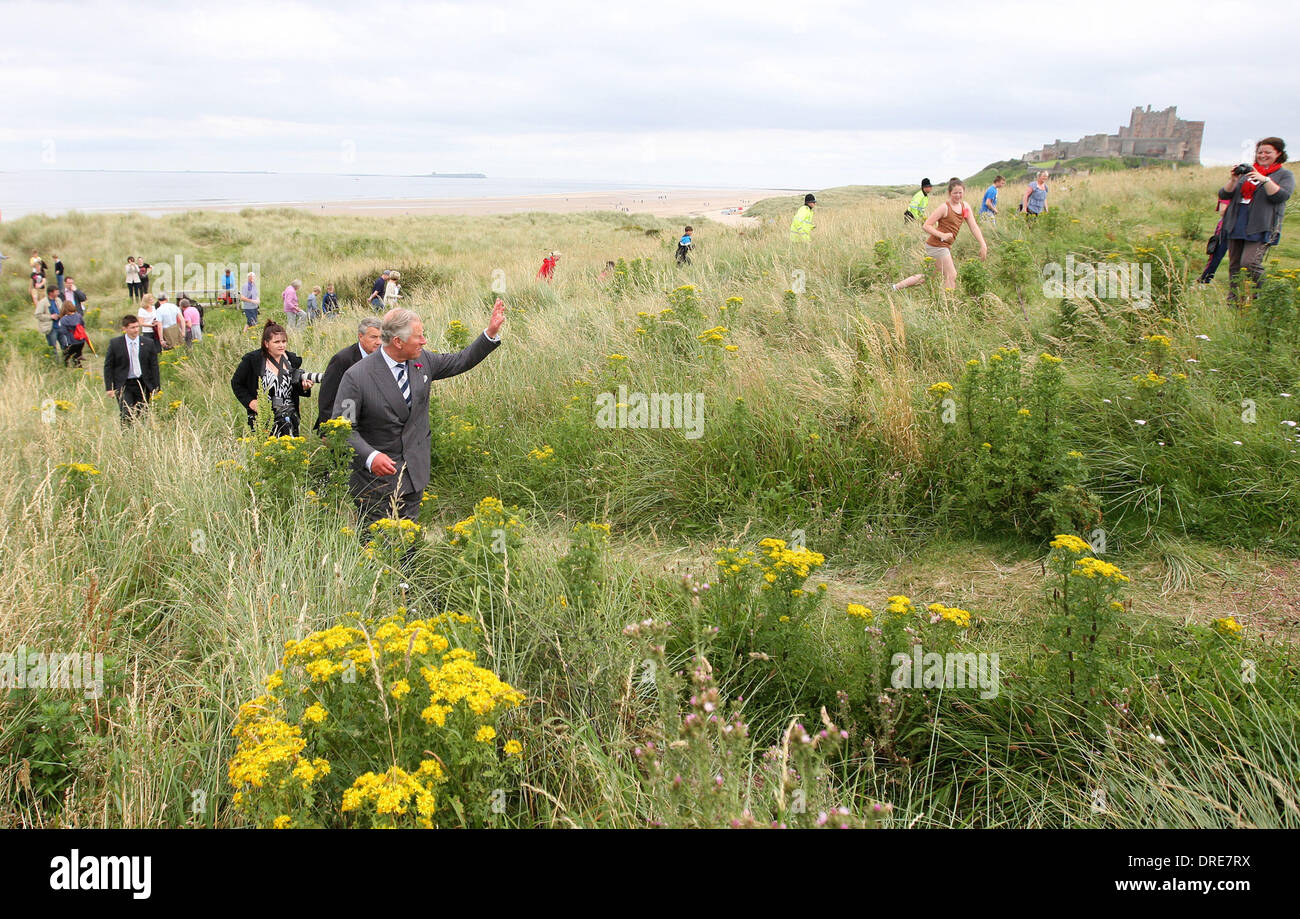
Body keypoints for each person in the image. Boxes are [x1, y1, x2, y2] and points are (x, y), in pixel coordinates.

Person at [331, 300, 505, 525]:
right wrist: (370, 456)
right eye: (418, 336)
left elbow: (461, 361)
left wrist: (490, 333)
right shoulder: (357, 377)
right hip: (375, 482)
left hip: (413, 473)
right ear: (398, 341)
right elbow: (342, 428)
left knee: (409, 542)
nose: (424, 341)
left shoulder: (423, 361)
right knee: (375, 544)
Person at [1218, 137, 1294, 304]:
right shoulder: (1247, 173)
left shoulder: (1284, 174)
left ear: (1278, 153)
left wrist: (1265, 179)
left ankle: (1266, 297)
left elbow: (1281, 196)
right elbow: (1224, 194)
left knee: (1250, 262)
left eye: (1268, 152)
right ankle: (1235, 301)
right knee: (1235, 265)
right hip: (1237, 222)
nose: (1263, 155)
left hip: (1262, 224)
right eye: (1260, 152)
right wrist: (1233, 180)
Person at [892, 177, 988, 292]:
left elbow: (974, 226)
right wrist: (942, 235)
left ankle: (895, 288)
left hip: (944, 246)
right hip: (936, 245)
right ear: (949, 193)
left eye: (960, 192)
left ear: (964, 192)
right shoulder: (944, 207)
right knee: (951, 275)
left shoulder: (965, 207)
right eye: (955, 193)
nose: (958, 195)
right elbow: (926, 225)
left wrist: (983, 244)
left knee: (929, 276)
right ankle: (949, 304)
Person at [231, 320, 317, 437]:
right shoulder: (252, 360)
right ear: (266, 343)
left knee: (291, 452)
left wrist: (305, 387)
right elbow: (236, 383)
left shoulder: (292, 360)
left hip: (289, 418)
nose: (281, 345)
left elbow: (294, 387)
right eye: (276, 342)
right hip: (264, 419)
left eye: (284, 341)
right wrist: (251, 402)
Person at [314, 317, 383, 433]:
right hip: (346, 426)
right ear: (360, 336)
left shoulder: (383, 358)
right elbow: (327, 397)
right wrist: (328, 430)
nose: (379, 342)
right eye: (374, 337)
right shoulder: (342, 359)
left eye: (381, 337)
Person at [104, 315, 161, 425]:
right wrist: (109, 387)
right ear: (124, 329)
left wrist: (156, 386)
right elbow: (108, 366)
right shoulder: (115, 344)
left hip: (143, 383)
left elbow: (154, 366)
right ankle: (126, 437)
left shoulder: (148, 343)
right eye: (132, 327)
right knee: (126, 413)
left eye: (137, 327)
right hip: (124, 384)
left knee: (142, 412)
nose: (136, 330)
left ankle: (140, 437)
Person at [1197, 190, 1234, 284]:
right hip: (1225, 226)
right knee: (1216, 254)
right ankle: (1205, 279)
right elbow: (1223, 211)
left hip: (1240, 228)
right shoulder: (1228, 190)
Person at [57, 301, 86, 368]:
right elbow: (83, 326)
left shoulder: (63, 320)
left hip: (71, 341)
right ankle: (79, 370)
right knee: (76, 358)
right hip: (81, 341)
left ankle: (65, 369)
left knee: (65, 357)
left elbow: (63, 331)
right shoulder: (79, 316)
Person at [35, 285, 60, 354]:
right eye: (56, 292)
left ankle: (66, 362)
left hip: (60, 326)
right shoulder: (42, 302)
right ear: (51, 293)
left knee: (65, 345)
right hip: (50, 328)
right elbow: (38, 315)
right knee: (53, 347)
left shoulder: (58, 300)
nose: (58, 293)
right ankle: (56, 363)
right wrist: (50, 317)